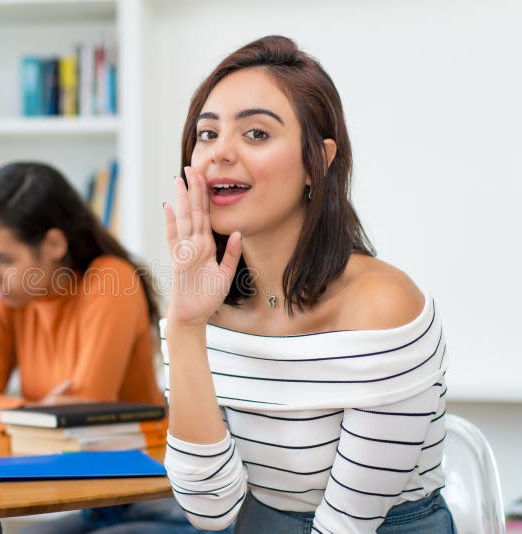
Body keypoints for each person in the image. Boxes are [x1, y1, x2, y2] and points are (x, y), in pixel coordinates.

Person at [160, 36, 454, 533]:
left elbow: (349, 525)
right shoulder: (201, 301)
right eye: (206, 134)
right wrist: (185, 325)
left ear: (318, 159)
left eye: (255, 134)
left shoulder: (384, 307)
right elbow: (211, 511)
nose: (219, 153)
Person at [0, 162, 227, 534]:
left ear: (53, 244)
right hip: (82, 492)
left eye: (2, 260)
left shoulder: (110, 280)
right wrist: (32, 412)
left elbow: (85, 407)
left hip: (146, 498)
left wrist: (26, 414)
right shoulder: (10, 297)